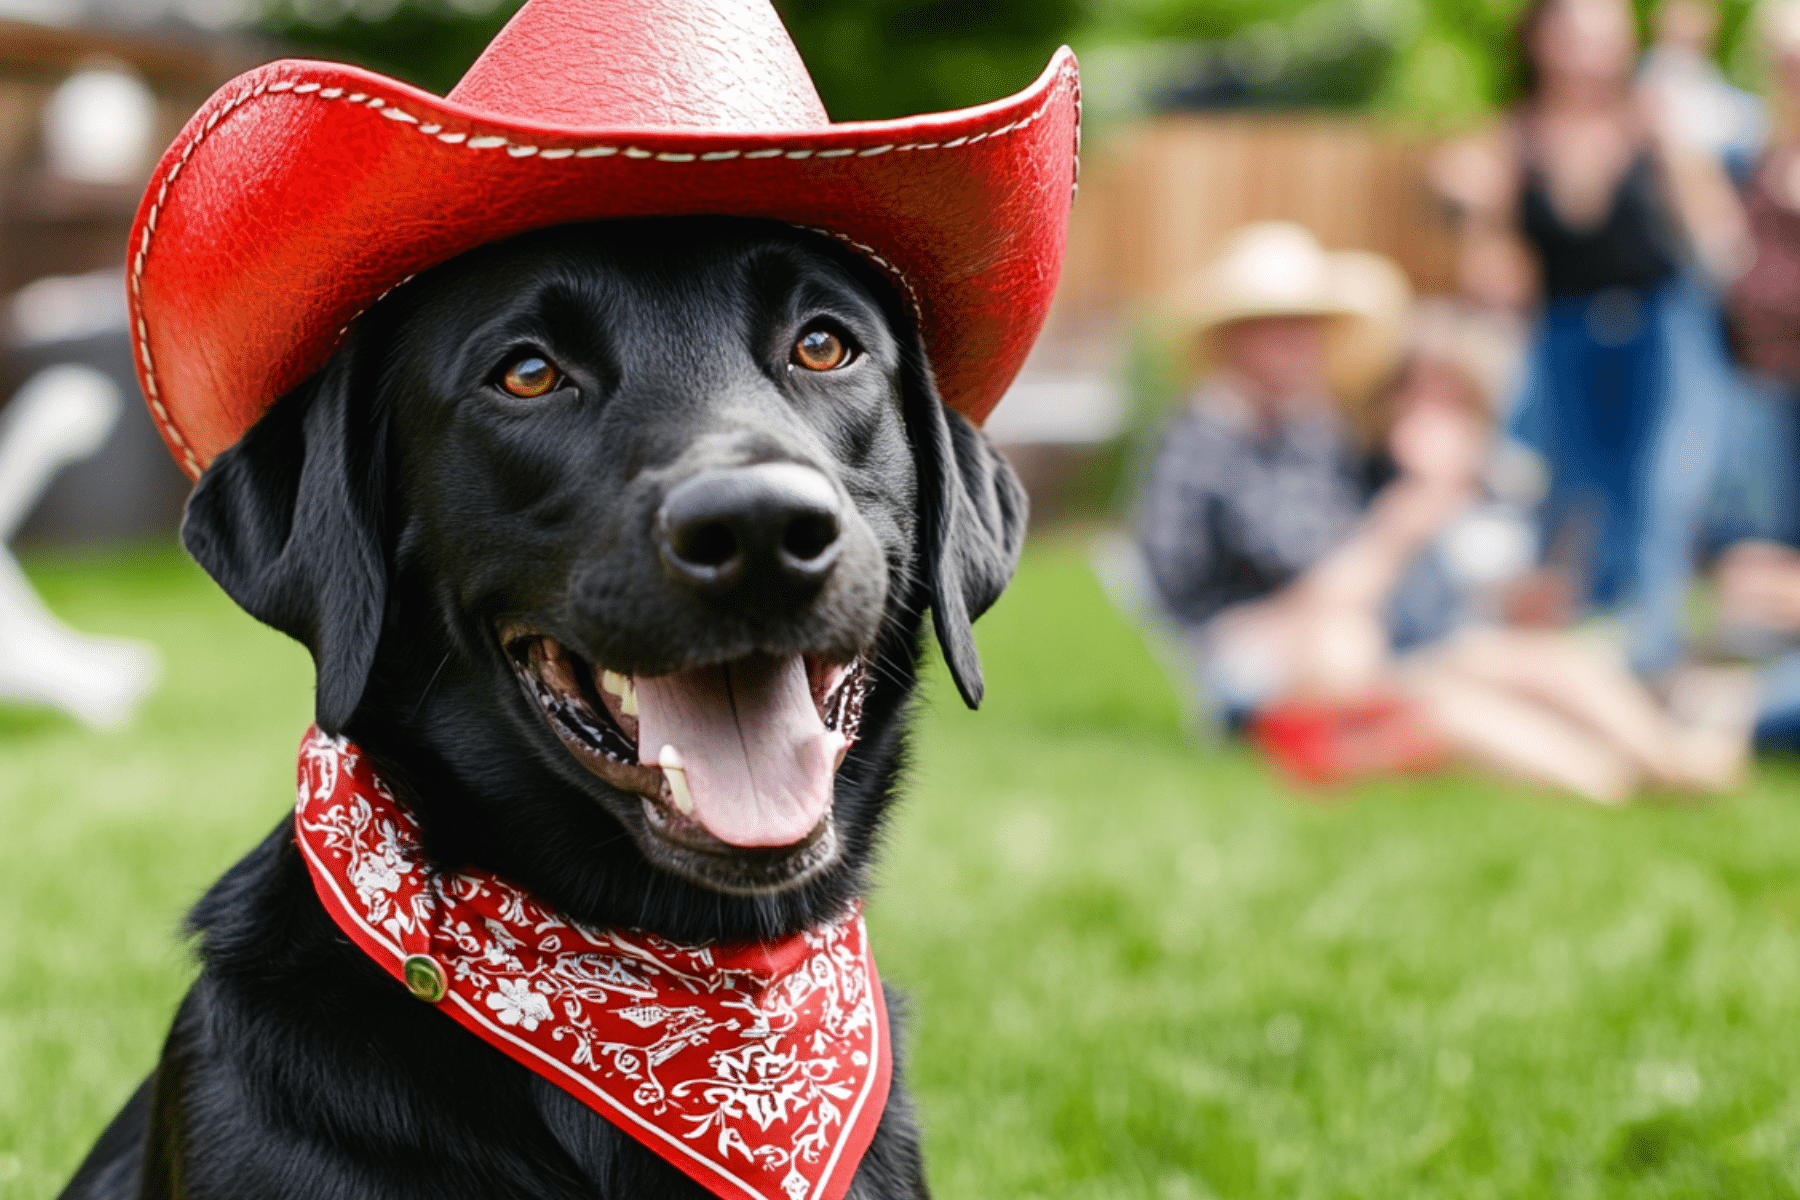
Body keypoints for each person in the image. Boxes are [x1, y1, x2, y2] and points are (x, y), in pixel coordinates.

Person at [1432, 0, 1750, 683]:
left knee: (1663, 494)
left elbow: (1716, 235)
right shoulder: (1514, 142)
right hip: (1566, 337)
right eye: (1575, 35)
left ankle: (1654, 651)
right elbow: (1490, 272)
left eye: (1604, 37)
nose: (1589, 53)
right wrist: (1468, 213)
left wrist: (1684, 160)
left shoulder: (1652, 121)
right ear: (1540, 41)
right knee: (1576, 499)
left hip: (1663, 333)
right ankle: (1589, 648)